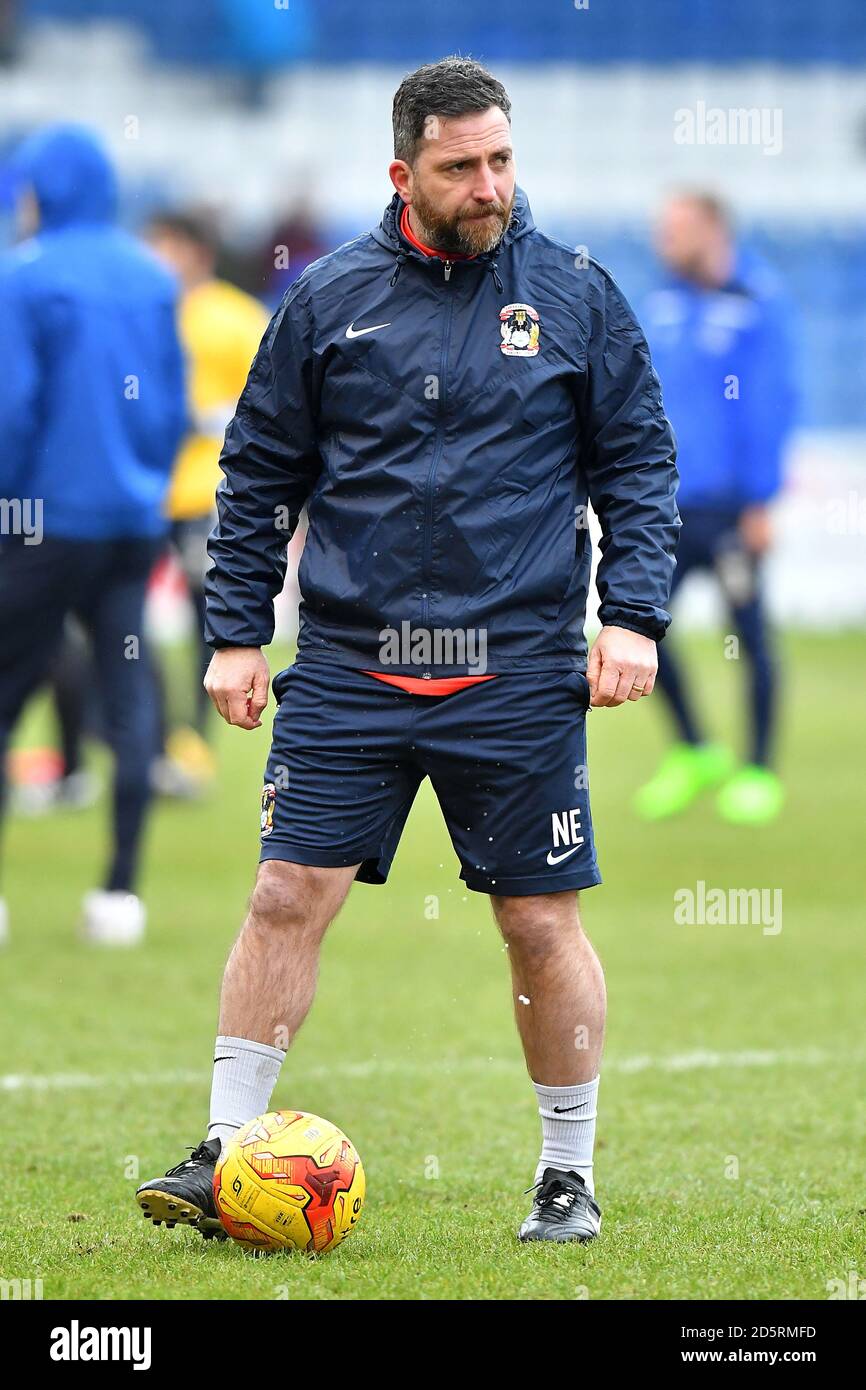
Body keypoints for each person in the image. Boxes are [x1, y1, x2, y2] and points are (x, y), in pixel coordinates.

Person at [135, 57, 679, 1245]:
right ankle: (225, 1150)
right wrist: (234, 633)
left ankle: (565, 1175)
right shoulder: (326, 299)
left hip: (515, 661)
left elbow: (638, 464)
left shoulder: (576, 294)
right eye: (460, 167)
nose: (488, 186)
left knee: (536, 920)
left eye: (501, 160)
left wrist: (631, 614)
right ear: (402, 174)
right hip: (348, 662)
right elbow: (257, 475)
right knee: (285, 892)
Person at [0, 124, 186, 946]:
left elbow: (12, 409)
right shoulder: (151, 274)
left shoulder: (24, 274)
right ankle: (120, 895)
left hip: (43, 517)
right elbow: (170, 404)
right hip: (132, 520)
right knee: (130, 691)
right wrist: (145, 487)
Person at [636, 191, 795, 825]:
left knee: (749, 635)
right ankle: (695, 750)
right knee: (637, 624)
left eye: (675, 229)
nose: (664, 241)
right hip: (668, 510)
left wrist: (761, 499)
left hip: (732, 510)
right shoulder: (662, 304)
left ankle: (757, 770)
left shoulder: (758, 301)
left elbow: (772, 402)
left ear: (712, 229)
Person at [144, 213, 269, 793]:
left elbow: (271, 404)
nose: (156, 257)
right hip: (145, 493)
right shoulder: (146, 310)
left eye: (165, 245)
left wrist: (206, 419)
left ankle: (192, 743)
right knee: (122, 623)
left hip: (206, 493)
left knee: (205, 621)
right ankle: (150, 738)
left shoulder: (237, 317)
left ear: (196, 251)